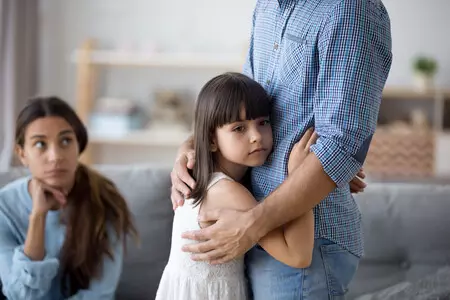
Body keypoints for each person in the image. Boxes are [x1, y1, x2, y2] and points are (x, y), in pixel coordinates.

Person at [171, 0, 393, 299]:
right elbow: (243, 107)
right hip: (255, 229)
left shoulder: (349, 8)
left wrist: (252, 223)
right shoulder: (266, 8)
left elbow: (341, 145)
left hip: (303, 239)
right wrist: (189, 149)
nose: (255, 137)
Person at [156, 72, 317, 300]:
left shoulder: (208, 175)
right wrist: (302, 176)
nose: (256, 137)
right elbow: (298, 255)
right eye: (239, 128)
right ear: (212, 140)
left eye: (263, 123)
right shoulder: (228, 192)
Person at [0, 96, 138, 299]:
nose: (55, 156)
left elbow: (100, 295)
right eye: (40, 144)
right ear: (22, 154)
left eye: (65, 141)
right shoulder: (4, 206)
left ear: (78, 145)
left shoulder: (106, 201)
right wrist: (38, 216)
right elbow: (20, 295)